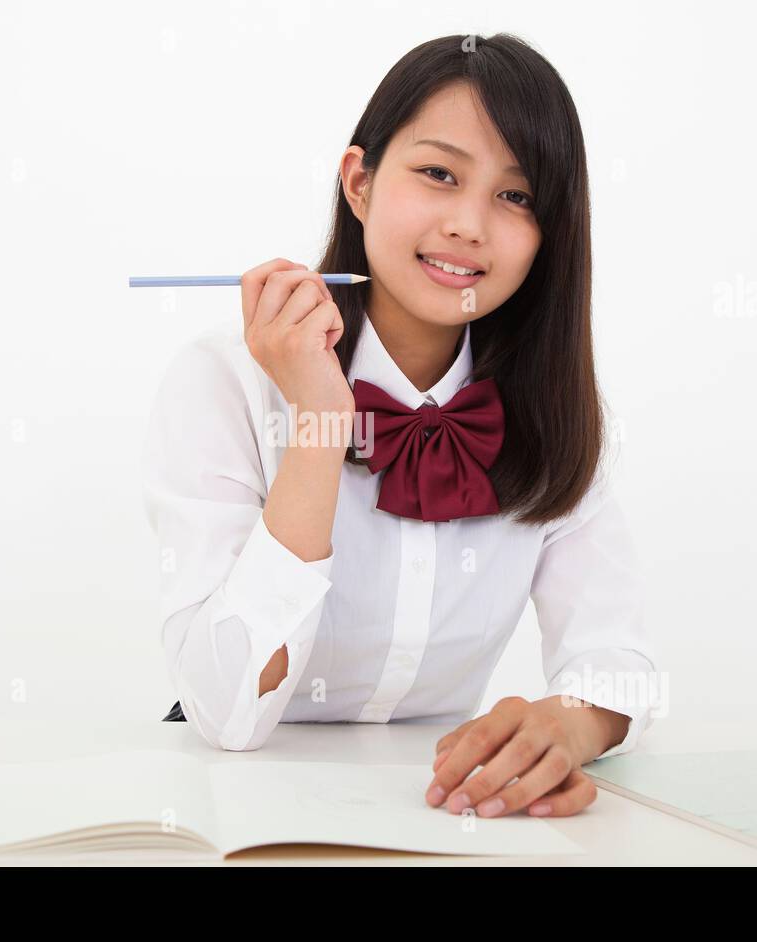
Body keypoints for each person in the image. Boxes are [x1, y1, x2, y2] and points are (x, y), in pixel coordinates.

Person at [143, 33, 661, 820]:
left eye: (516, 197)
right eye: (439, 174)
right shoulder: (224, 382)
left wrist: (571, 724)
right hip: (235, 811)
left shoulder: (553, 414)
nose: (469, 224)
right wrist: (320, 420)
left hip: (447, 814)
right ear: (359, 182)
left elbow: (619, 659)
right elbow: (226, 714)